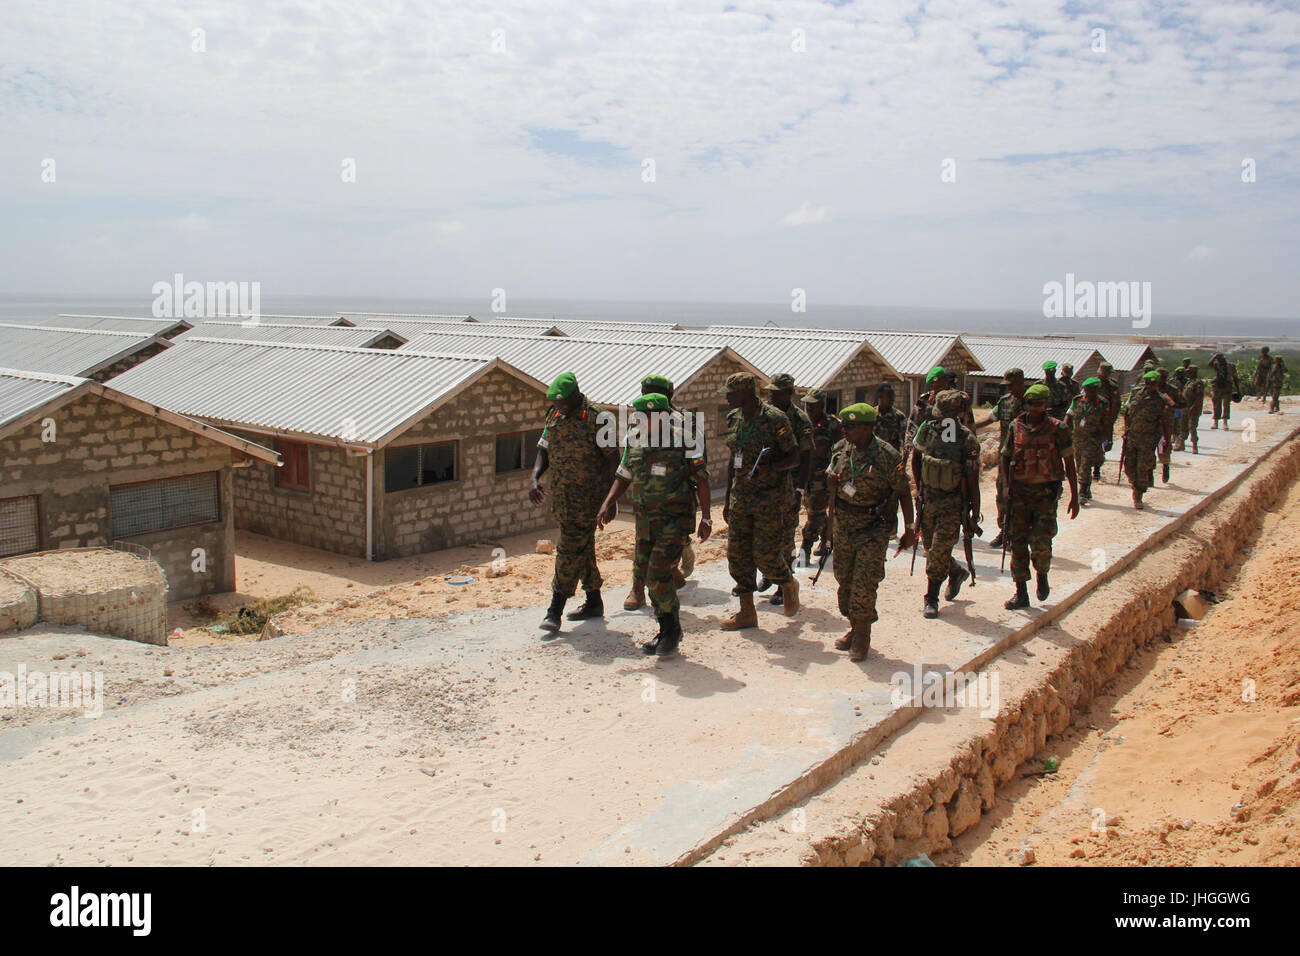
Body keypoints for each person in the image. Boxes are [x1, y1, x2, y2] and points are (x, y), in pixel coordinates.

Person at [597, 393, 711, 657]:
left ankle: (672, 631)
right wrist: (607, 502)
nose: (643, 420)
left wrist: (706, 517)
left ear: (664, 416)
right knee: (652, 576)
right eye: (640, 416)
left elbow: (702, 479)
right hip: (646, 521)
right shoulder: (633, 439)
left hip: (675, 519)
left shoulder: (685, 439)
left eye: (650, 416)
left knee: (657, 573)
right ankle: (666, 629)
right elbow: (623, 475)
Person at [826, 403, 918, 660]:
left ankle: (863, 636)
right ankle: (854, 627)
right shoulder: (841, 450)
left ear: (867, 428)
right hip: (844, 524)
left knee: (864, 584)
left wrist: (910, 528)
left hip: (872, 528)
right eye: (844, 425)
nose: (845, 430)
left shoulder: (888, 456)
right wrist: (830, 481)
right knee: (844, 581)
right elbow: (830, 477)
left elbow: (903, 493)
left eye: (850, 427)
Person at [530, 372, 620, 632]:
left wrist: (611, 500)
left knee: (568, 550)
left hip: (589, 500)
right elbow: (543, 449)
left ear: (576, 395)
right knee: (583, 549)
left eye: (564, 402)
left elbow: (613, 458)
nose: (560, 407)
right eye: (556, 403)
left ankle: (554, 610)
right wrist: (534, 478)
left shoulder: (599, 418)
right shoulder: (554, 414)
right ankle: (594, 601)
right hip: (563, 498)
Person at [720, 372, 801, 629]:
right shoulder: (733, 418)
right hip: (741, 498)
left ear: (746, 392)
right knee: (738, 555)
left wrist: (772, 468)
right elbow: (733, 458)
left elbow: (795, 456)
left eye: (731, 393)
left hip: (770, 498)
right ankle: (746, 612)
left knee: (765, 555)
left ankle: (787, 582)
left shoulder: (775, 418)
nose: (728, 397)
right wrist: (726, 498)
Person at [1001, 383, 1080, 610]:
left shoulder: (1058, 429)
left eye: (1039, 404)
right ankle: (1021, 592)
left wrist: (1074, 496)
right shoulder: (1015, 427)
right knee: (1017, 542)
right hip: (1019, 495)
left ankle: (1042, 574)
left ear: (1046, 405)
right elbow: (1005, 457)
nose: (1034, 409)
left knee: (1042, 541)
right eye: (1031, 404)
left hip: (1045, 494)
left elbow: (1069, 462)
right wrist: (1006, 487)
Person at [623, 374, 692, 610]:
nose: (646, 396)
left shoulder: (683, 421)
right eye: (644, 391)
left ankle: (666, 585)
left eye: (652, 391)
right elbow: (628, 456)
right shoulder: (640, 420)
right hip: (646, 497)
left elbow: (696, 463)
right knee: (643, 543)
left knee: (665, 548)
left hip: (675, 499)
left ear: (668, 395)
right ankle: (638, 589)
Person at [911, 390, 981, 618]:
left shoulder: (966, 438)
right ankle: (956, 570)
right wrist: (919, 489)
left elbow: (972, 478)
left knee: (940, 548)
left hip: (952, 504)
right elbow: (916, 458)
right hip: (929, 499)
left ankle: (931, 598)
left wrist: (974, 512)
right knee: (931, 549)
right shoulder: (927, 430)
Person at [764, 373, 813, 606]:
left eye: (777, 392)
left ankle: (785, 585)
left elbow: (806, 456)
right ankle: (768, 573)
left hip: (789, 486)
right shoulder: (765, 414)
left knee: (785, 537)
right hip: (765, 486)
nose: (771, 395)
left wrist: (800, 489)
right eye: (770, 391)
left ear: (789, 393)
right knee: (765, 534)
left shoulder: (800, 419)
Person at [799, 387, 843, 562]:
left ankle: (805, 548)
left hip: (823, 479)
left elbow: (841, 452)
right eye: (807, 407)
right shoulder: (803, 424)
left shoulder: (833, 425)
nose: (809, 410)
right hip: (806, 477)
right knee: (813, 510)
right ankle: (826, 538)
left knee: (815, 514)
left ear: (822, 405)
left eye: (813, 407)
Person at [1121, 370, 1174, 510]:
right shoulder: (1136, 394)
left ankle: (1138, 495)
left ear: (1157, 384)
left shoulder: (1162, 401)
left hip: (1148, 439)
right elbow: (1127, 411)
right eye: (1147, 384)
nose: (1149, 387)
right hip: (1132, 436)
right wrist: (1126, 428)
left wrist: (1167, 441)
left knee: (1142, 468)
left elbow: (1167, 423)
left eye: (1152, 385)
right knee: (1129, 467)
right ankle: (1135, 484)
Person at [988, 368, 1026, 549]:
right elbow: (990, 419)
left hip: (1026, 460)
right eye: (1007, 385)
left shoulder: (1032, 402)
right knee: (1002, 495)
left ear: (1021, 382)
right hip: (1006, 457)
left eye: (1012, 385)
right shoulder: (1004, 402)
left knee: (1020, 498)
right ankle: (1004, 530)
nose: (1009, 389)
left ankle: (1016, 533)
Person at [1065, 378, 1108, 502]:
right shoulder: (1077, 401)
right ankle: (1087, 487)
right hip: (1078, 438)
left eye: (1094, 390)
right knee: (1079, 464)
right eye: (1088, 390)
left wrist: (1108, 440)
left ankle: (1082, 491)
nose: (1090, 392)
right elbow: (1069, 415)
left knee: (1086, 463)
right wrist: (1063, 428)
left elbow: (1107, 423)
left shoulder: (1103, 403)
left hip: (1093, 439)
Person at [1095, 361, 1121, 481]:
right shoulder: (1093, 384)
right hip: (1091, 418)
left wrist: (1110, 420)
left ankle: (1096, 469)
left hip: (1105, 420)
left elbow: (1116, 405)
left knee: (1101, 444)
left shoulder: (1112, 386)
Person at [1208, 352, 1240, 429]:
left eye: (1220, 359)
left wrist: (1238, 389)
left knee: (1226, 404)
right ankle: (1216, 422)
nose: (1220, 361)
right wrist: (1214, 356)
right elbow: (1209, 364)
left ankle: (1225, 422)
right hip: (1217, 386)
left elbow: (1235, 378)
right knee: (1216, 405)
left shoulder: (1231, 366)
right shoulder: (1216, 365)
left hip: (1227, 386)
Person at [1182, 364, 1205, 453]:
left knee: (1192, 427)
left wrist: (1194, 406)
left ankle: (1194, 445)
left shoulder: (1197, 382)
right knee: (1183, 426)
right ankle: (1181, 443)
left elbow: (1199, 396)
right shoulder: (1189, 381)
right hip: (1185, 407)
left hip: (1193, 409)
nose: (1187, 373)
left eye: (1189, 371)